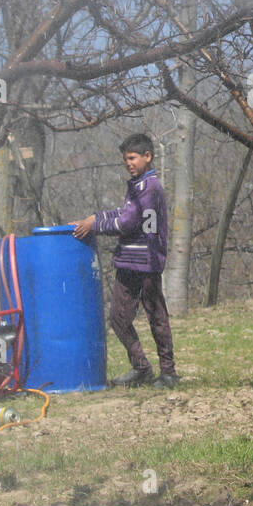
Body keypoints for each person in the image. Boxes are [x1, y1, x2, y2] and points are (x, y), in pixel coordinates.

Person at [74, 133, 177, 388]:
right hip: (128, 262)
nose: (128, 163)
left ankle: (169, 373)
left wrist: (95, 224)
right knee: (119, 318)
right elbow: (124, 213)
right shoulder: (136, 185)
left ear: (147, 157)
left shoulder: (150, 188)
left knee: (156, 317)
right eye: (125, 159)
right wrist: (93, 217)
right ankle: (141, 368)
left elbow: (128, 222)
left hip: (146, 262)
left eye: (132, 158)